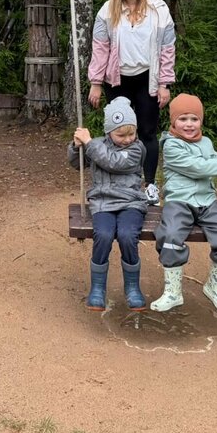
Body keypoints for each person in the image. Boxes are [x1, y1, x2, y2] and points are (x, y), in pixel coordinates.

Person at [148, 93, 217, 316]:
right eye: (183, 119)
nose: (189, 124)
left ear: (200, 121)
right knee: (171, 235)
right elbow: (198, 167)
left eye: (194, 119)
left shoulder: (206, 143)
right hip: (179, 201)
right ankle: (173, 292)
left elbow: (214, 163)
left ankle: (215, 286)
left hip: (207, 201)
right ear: (173, 121)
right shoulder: (171, 145)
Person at [87, 0, 176, 192]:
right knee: (120, 132)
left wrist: (164, 84)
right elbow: (99, 49)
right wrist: (96, 83)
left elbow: (168, 49)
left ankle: (149, 184)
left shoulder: (159, 9)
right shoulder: (107, 11)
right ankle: (121, 183)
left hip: (148, 78)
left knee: (147, 131)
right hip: (117, 80)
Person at [69, 96, 148, 311]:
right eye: (121, 134)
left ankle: (132, 287)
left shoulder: (137, 149)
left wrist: (89, 143)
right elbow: (77, 164)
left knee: (127, 235)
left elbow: (114, 162)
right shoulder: (97, 145)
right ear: (108, 131)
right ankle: (97, 288)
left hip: (130, 202)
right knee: (103, 235)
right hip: (103, 203)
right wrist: (77, 147)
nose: (127, 139)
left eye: (131, 133)